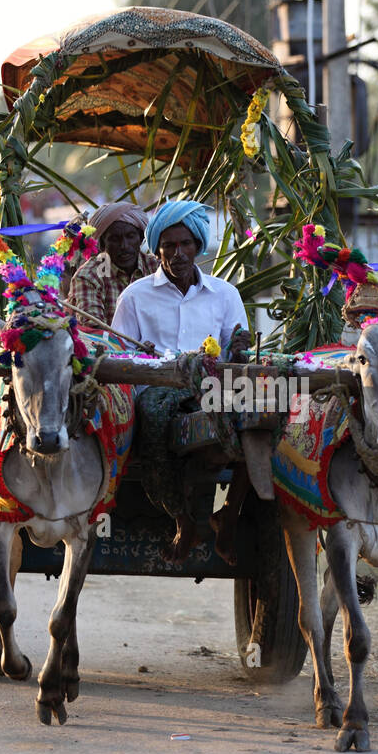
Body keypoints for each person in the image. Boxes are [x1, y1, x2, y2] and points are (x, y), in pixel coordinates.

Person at [111, 200, 252, 562]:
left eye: (185, 244)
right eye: (169, 245)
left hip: (210, 388)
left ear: (197, 246)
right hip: (157, 393)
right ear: (157, 250)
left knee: (263, 414)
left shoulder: (226, 294)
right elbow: (117, 358)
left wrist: (238, 351)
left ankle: (230, 515)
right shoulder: (135, 296)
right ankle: (181, 517)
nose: (178, 253)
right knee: (154, 416)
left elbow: (237, 350)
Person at [67, 202, 159, 330]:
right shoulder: (88, 276)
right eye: (115, 239)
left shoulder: (156, 268)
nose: (124, 246)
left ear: (140, 238)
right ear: (103, 243)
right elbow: (95, 330)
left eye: (130, 236)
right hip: (112, 348)